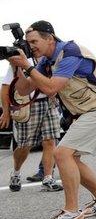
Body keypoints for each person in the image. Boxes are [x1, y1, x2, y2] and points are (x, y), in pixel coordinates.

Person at [7, 21, 96, 219]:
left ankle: (71, 212)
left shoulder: (70, 52)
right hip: (87, 111)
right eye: (28, 43)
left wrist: (28, 66)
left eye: (34, 41)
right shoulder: (45, 61)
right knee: (70, 157)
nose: (31, 46)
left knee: (61, 153)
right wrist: (18, 67)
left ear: (50, 38)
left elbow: (51, 88)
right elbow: (24, 89)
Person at [2, 62, 62, 192]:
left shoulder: (48, 59)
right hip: (27, 106)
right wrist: (6, 112)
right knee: (24, 145)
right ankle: (16, 173)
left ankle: (48, 178)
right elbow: (6, 87)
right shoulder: (18, 62)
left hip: (49, 102)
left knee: (50, 141)